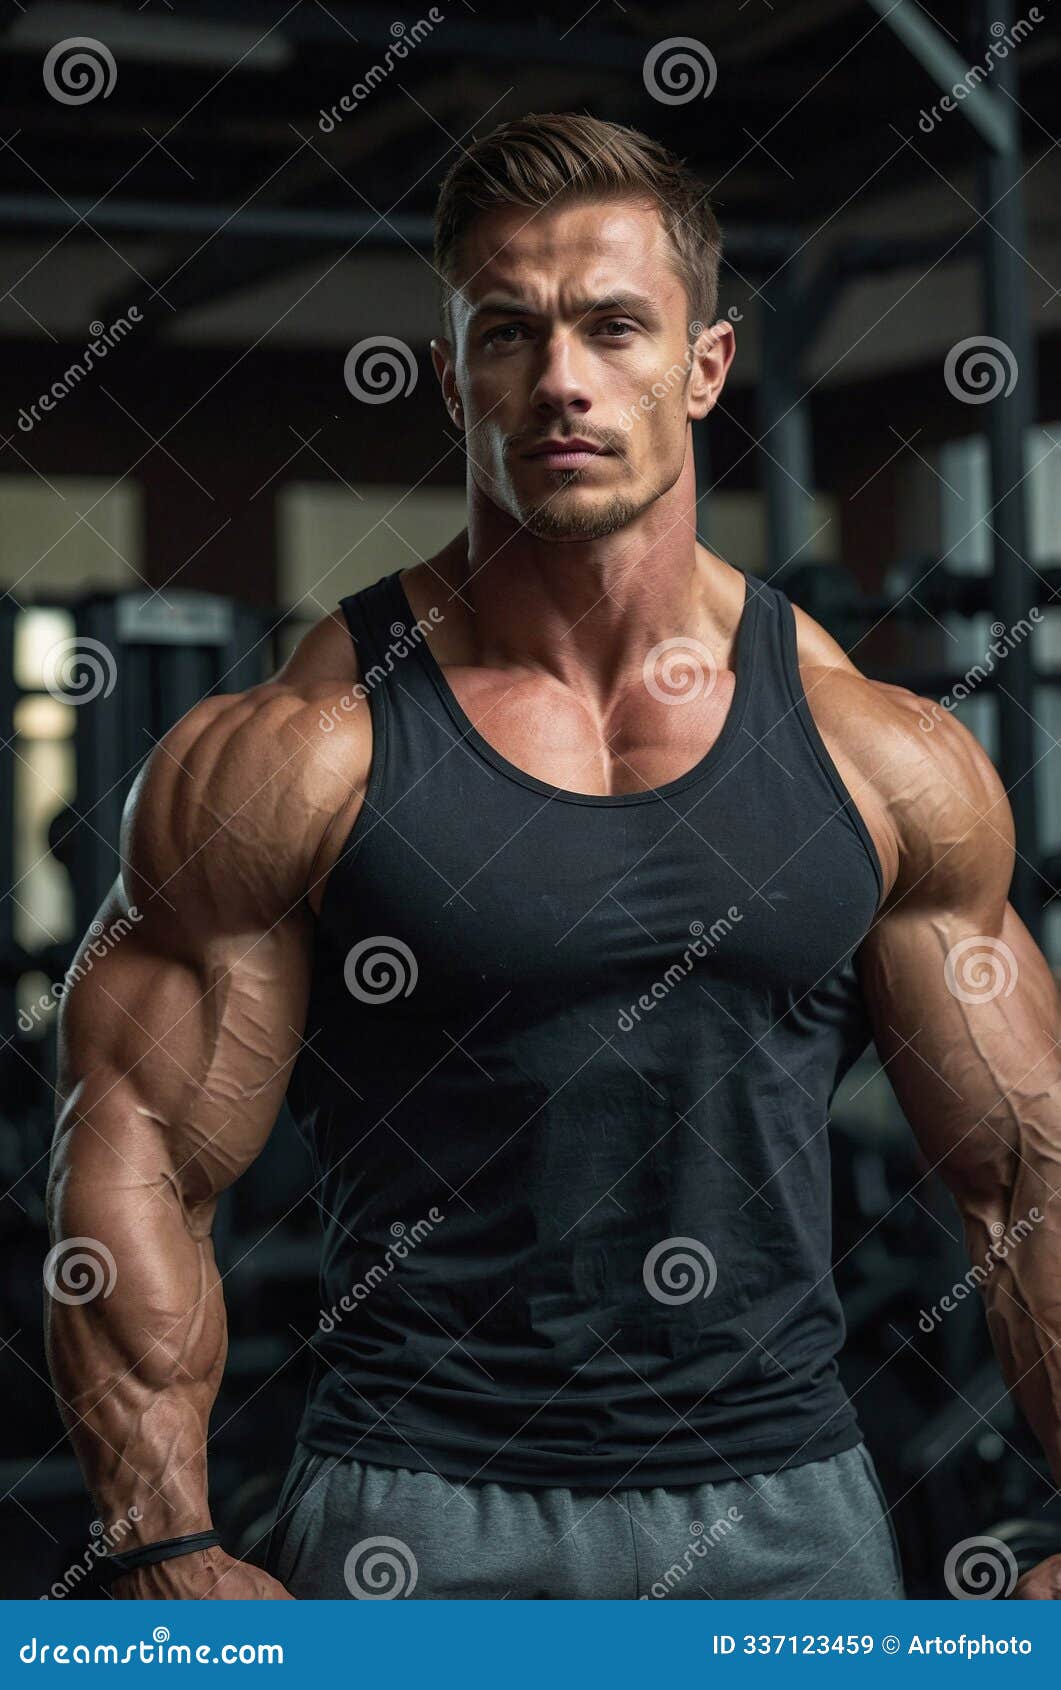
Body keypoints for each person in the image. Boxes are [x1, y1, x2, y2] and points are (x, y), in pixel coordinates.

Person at [45, 113, 1061, 1601]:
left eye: (613, 326)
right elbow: (133, 1145)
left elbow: (1027, 1166)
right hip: (417, 1512)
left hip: (784, 1518)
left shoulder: (884, 755)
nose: (562, 378)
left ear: (704, 365)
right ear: (451, 371)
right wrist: (163, 1543)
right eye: (509, 332)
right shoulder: (298, 752)